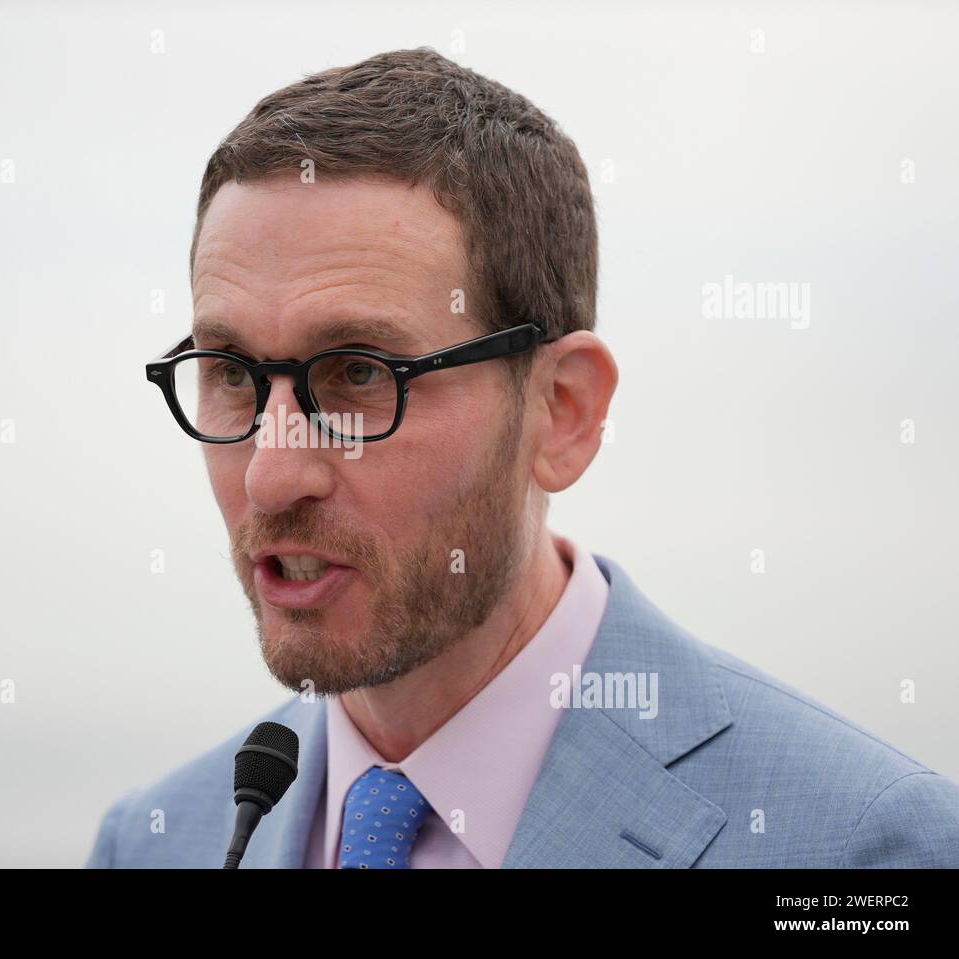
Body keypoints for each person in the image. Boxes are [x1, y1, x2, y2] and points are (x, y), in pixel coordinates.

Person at [88, 47, 959, 868]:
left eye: (358, 374)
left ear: (563, 412)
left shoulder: (859, 847)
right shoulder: (158, 843)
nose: (270, 475)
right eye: (233, 374)